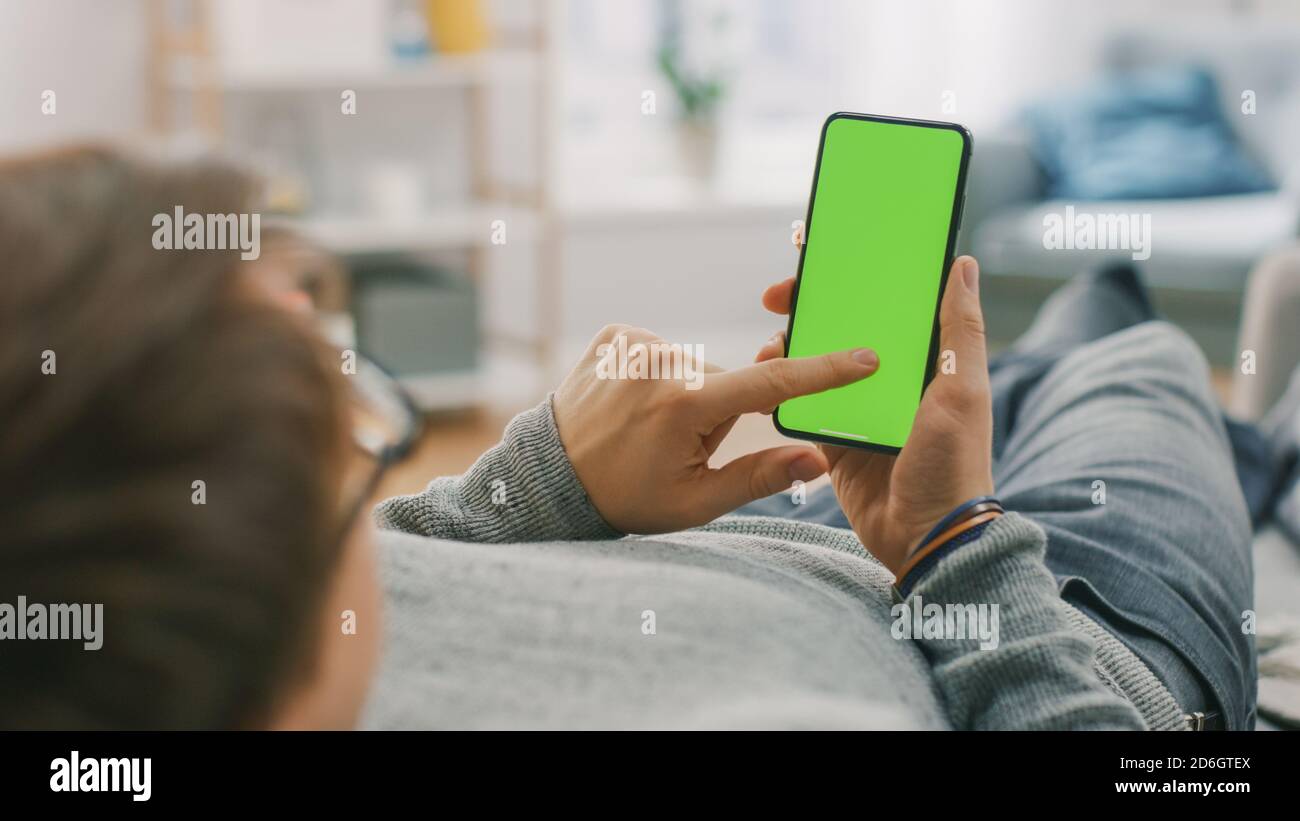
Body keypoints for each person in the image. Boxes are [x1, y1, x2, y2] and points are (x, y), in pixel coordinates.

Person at [0, 148, 1256, 730]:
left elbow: (405, 560)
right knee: (1123, 343)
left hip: (774, 528)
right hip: (1036, 615)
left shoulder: (174, 629)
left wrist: (552, 472)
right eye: (348, 451)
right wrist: (952, 537)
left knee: (1006, 370)